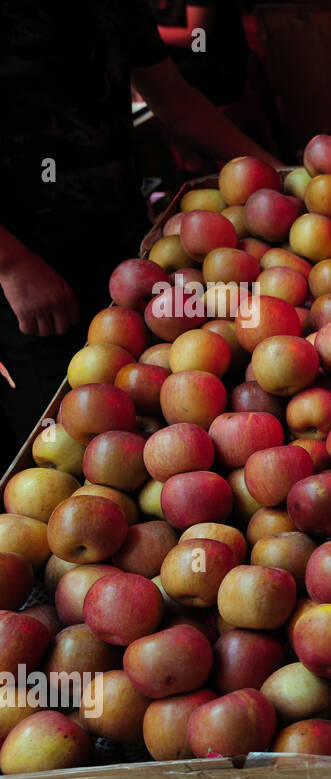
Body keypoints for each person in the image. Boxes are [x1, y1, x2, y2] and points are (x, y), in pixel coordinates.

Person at [0, 2, 279, 463]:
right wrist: (11, 264)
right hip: (32, 267)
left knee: (159, 417)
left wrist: (275, 172)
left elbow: (173, 99)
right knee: (60, 433)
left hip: (130, 249)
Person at [151, 0, 249, 106]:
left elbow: (197, 39)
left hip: (217, 70)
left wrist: (149, 33)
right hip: (182, 66)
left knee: (156, 80)